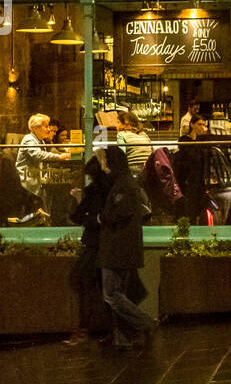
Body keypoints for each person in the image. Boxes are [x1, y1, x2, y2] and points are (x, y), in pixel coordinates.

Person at [98, 145, 156, 350]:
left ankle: (145, 323)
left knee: (112, 294)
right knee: (118, 293)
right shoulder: (122, 182)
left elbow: (119, 212)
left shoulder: (123, 185)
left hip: (117, 248)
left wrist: (101, 217)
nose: (103, 165)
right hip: (121, 248)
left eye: (105, 161)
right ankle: (122, 339)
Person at [63, 149, 111, 345]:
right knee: (104, 287)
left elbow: (77, 216)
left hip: (93, 243)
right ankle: (105, 327)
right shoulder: (111, 188)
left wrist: (77, 201)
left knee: (84, 281)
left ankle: (85, 327)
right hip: (106, 243)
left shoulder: (93, 191)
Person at [15, 113, 67, 201]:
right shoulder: (29, 139)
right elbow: (38, 155)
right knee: (59, 189)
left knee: (63, 183)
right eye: (46, 126)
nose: (49, 129)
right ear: (35, 128)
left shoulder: (40, 141)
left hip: (38, 175)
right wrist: (59, 157)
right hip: (29, 177)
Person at [173, 114, 211, 224]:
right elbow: (189, 156)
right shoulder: (185, 140)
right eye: (199, 124)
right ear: (192, 125)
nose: (202, 127)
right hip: (187, 180)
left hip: (199, 180)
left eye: (204, 124)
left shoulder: (204, 141)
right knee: (189, 209)